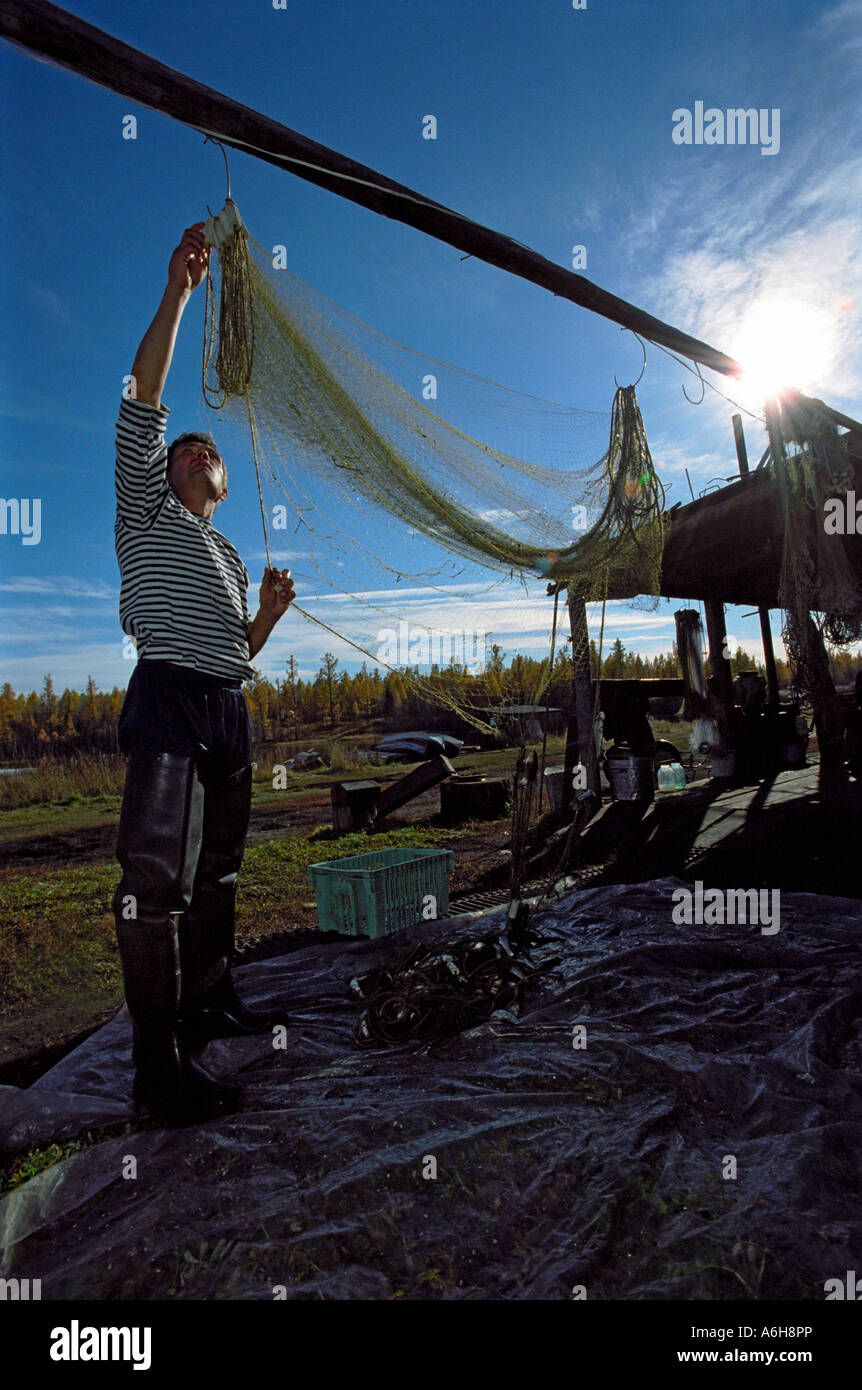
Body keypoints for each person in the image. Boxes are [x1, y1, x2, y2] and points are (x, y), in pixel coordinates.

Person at [112, 222, 295, 1125]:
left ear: (221, 484)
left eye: (205, 453)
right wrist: (180, 291)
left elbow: (238, 654)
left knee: (218, 871)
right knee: (157, 883)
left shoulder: (223, 554)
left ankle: (211, 1003)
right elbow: (146, 393)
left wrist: (262, 617)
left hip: (227, 707)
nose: (191, 452)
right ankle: (157, 1072)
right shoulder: (145, 508)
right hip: (168, 702)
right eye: (180, 449)